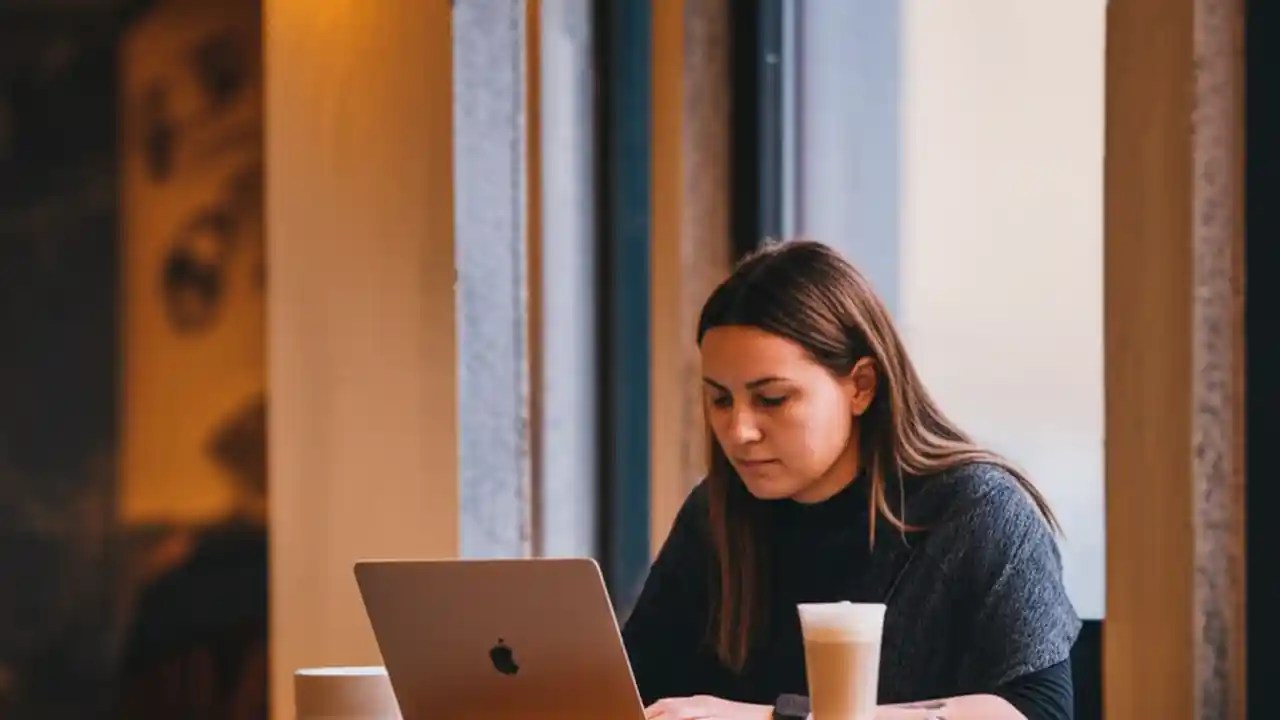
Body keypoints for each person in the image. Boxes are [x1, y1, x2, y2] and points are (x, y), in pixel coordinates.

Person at [622, 240, 1080, 720]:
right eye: (719, 400)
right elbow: (633, 691)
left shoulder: (979, 513)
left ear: (860, 386)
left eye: (773, 399)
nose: (739, 431)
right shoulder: (716, 513)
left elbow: (1037, 712)